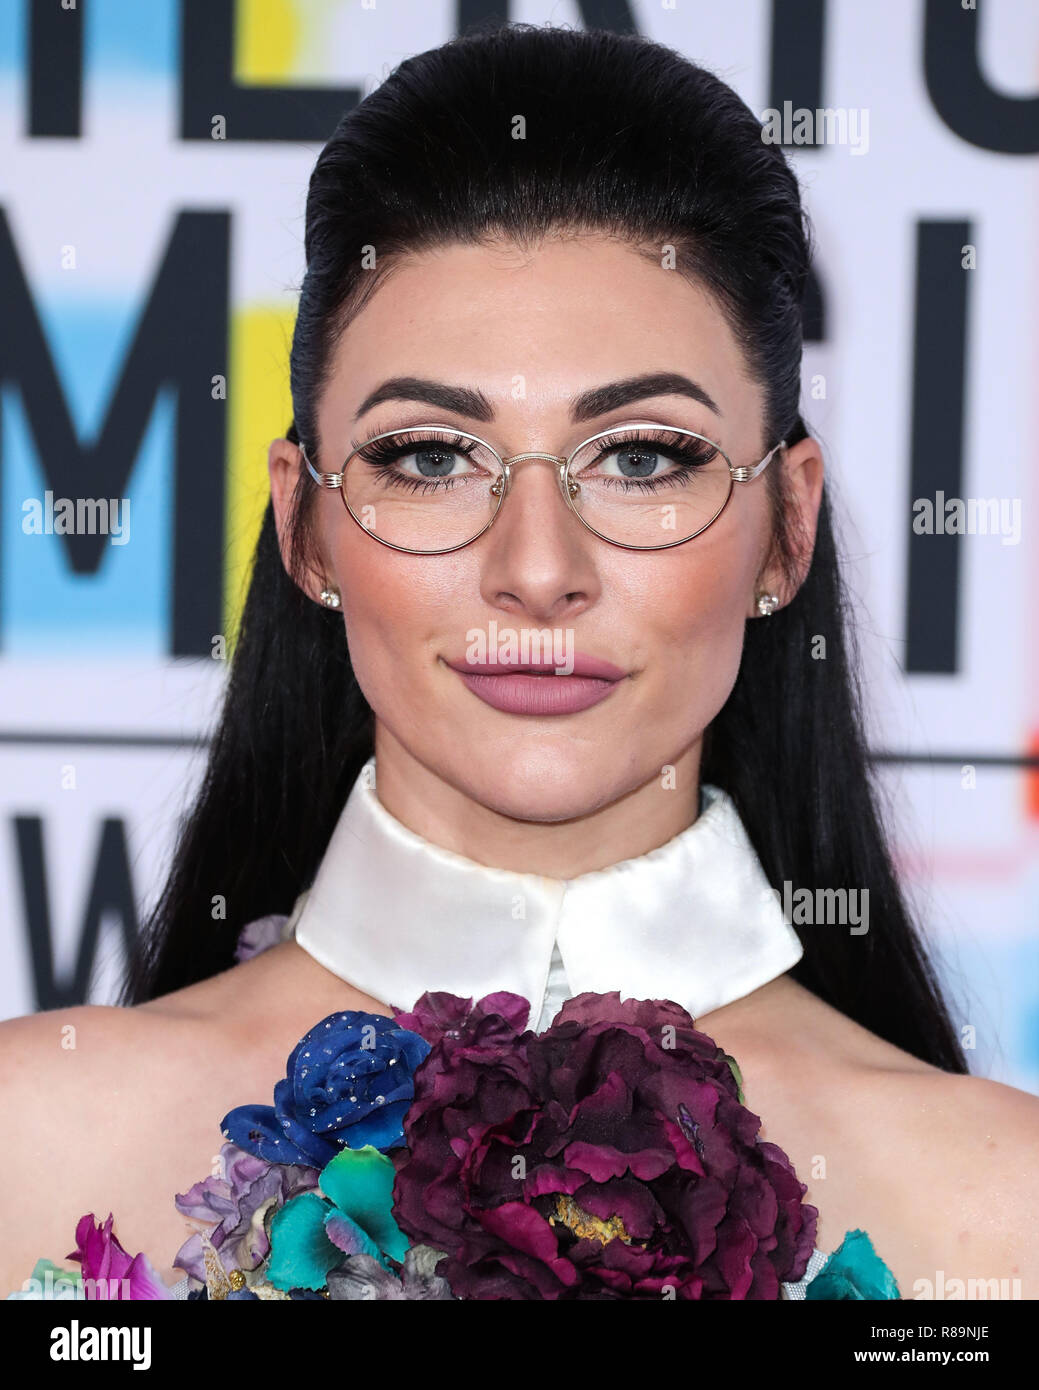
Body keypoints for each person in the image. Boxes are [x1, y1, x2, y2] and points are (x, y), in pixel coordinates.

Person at [2, 23, 1036, 1300]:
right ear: (304, 526)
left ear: (789, 527)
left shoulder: (1005, 1213)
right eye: (429, 456)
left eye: (644, 455)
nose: (537, 569)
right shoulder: (29, 1146)